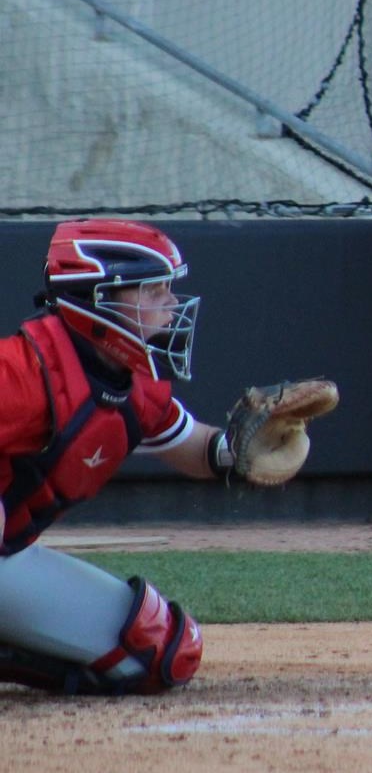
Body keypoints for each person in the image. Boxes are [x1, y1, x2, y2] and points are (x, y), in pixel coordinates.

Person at [3, 220, 263, 695]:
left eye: (168, 289)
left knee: (160, 649)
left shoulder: (135, 383)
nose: (169, 306)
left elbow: (192, 446)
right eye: (151, 291)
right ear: (97, 300)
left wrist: (238, 452)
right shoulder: (22, 374)